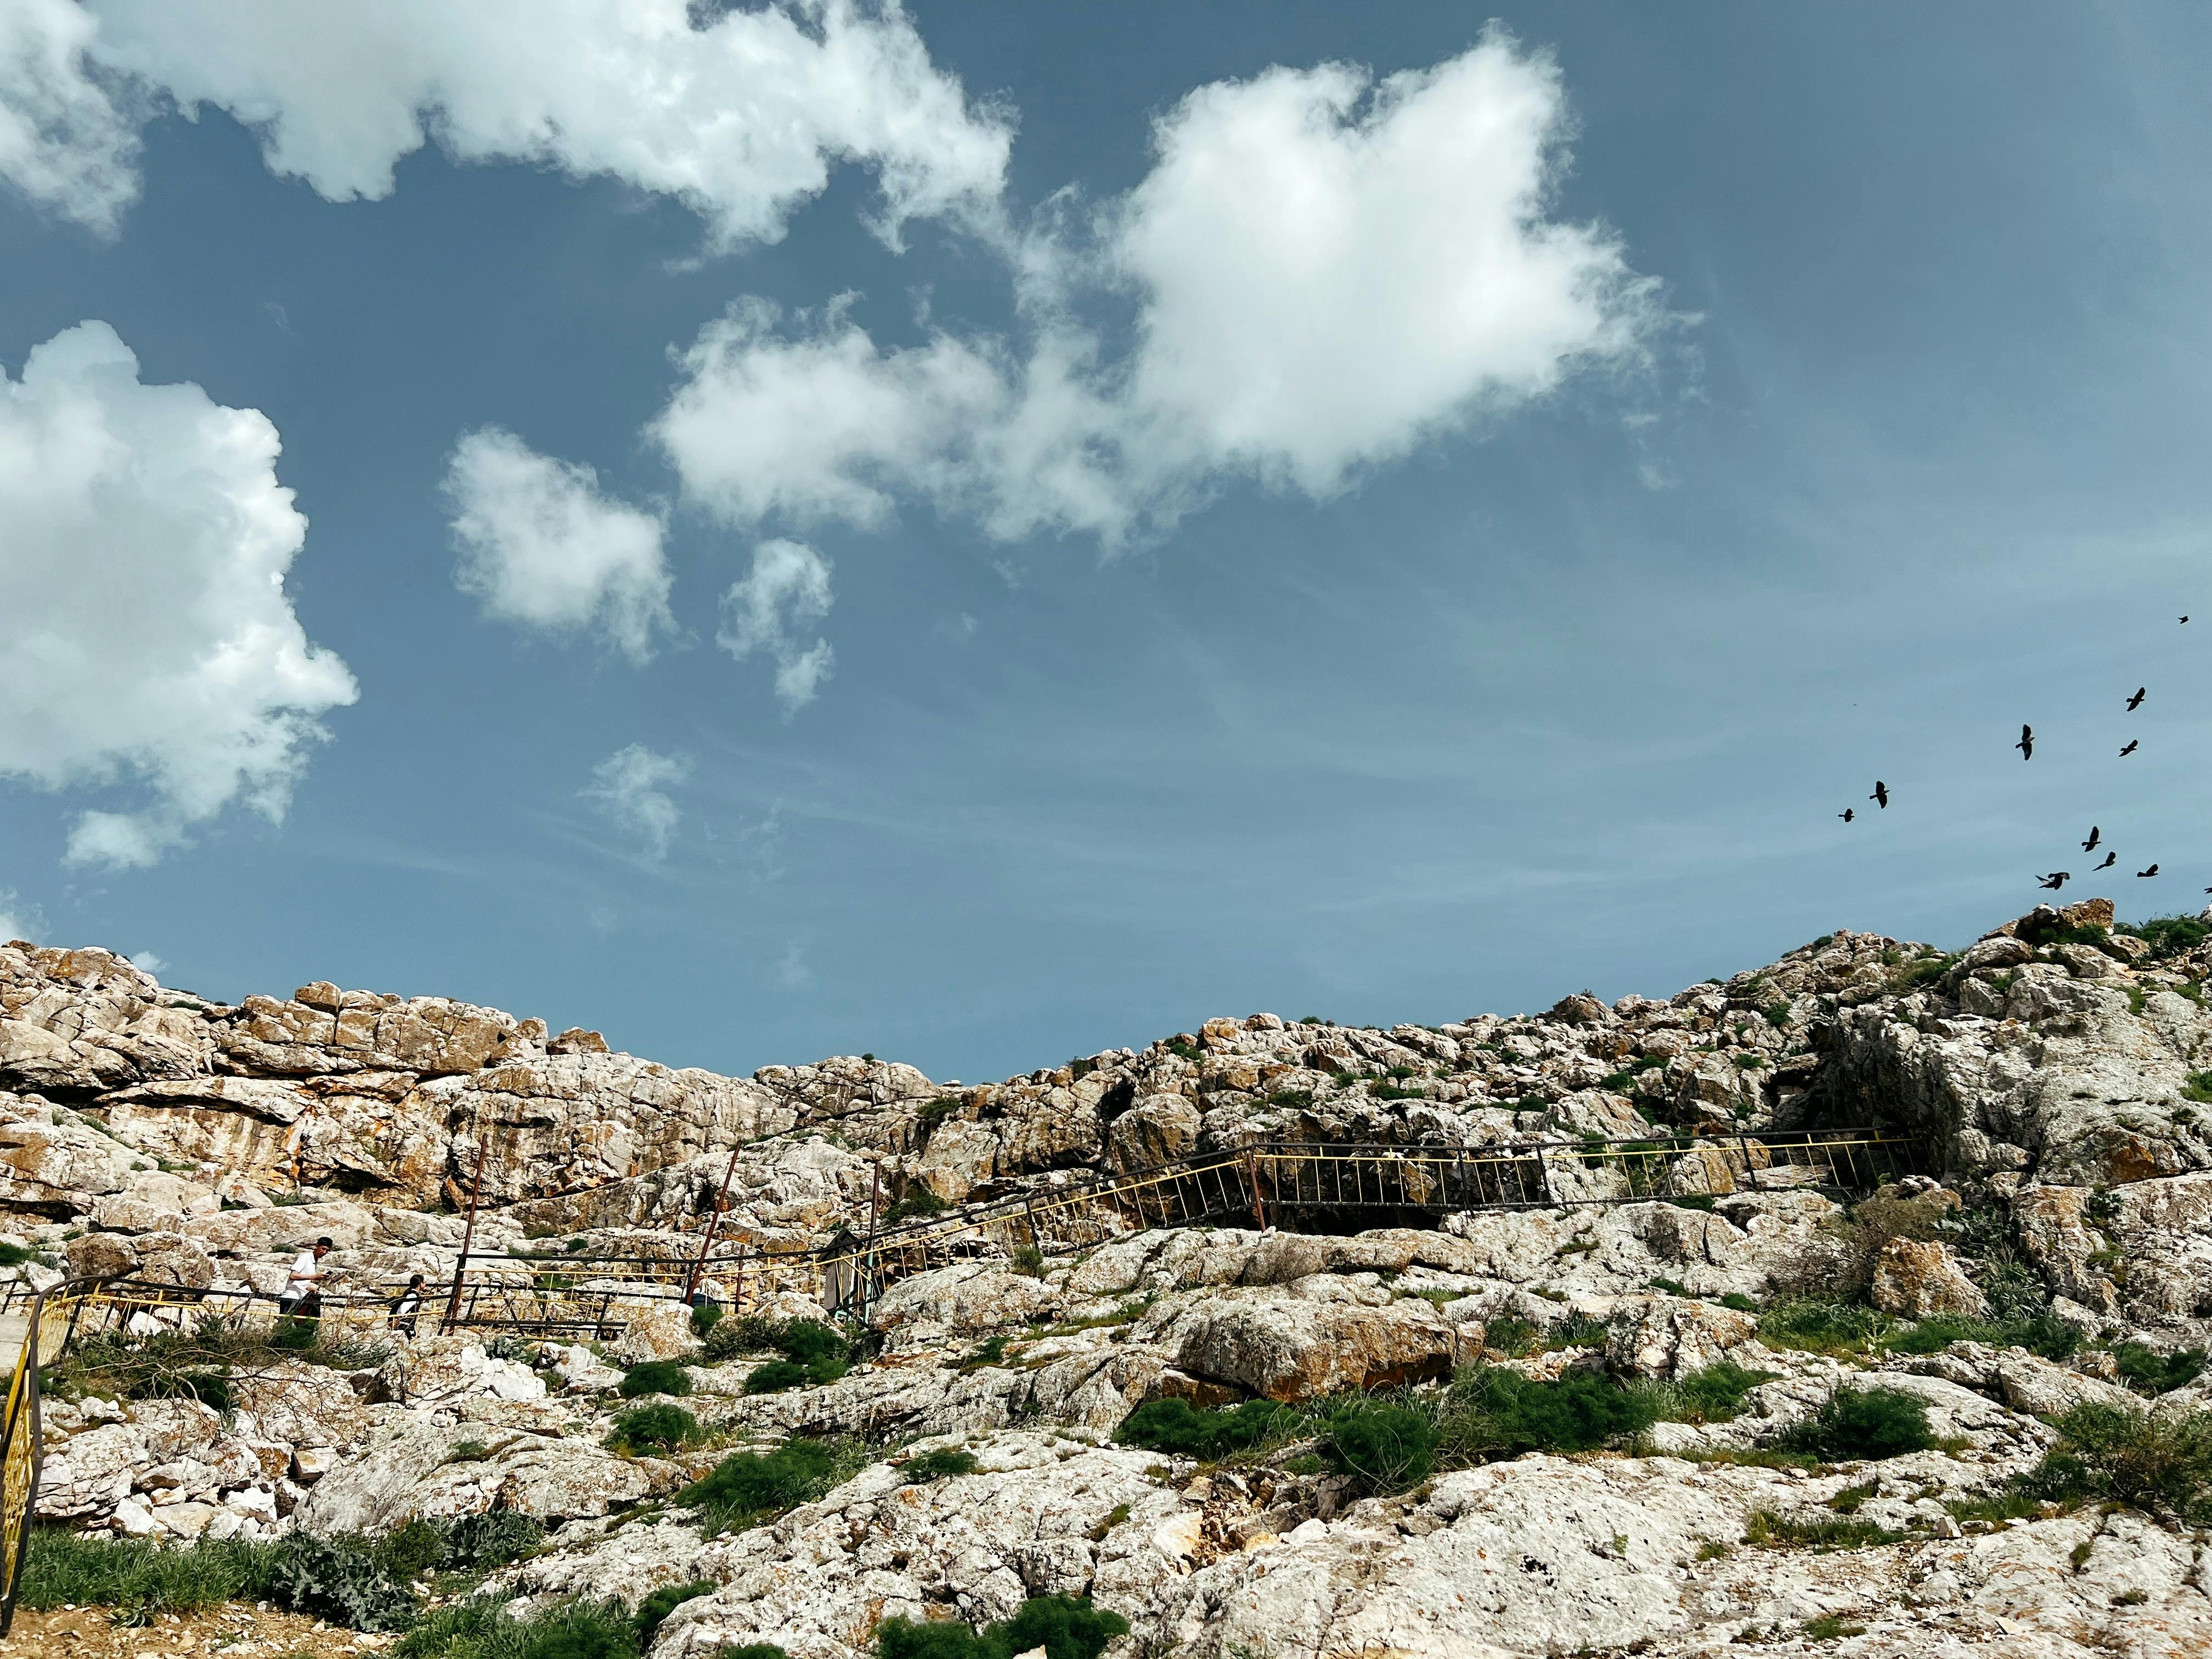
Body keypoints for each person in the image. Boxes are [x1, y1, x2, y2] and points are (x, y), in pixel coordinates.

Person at [279, 1236, 334, 1319]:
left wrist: (311, 1289)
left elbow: (302, 1282)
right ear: (317, 1246)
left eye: (327, 1250)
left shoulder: (315, 1261)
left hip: (300, 1298)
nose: (324, 1252)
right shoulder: (306, 1257)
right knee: (284, 1326)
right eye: (323, 1249)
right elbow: (293, 1276)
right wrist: (314, 1276)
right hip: (291, 1297)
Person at [390, 1272, 425, 1337]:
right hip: (405, 1326)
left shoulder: (411, 1293)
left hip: (406, 1325)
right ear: (420, 1283)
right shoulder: (413, 1295)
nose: (426, 1284)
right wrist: (399, 1317)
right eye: (424, 1282)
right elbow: (403, 1309)